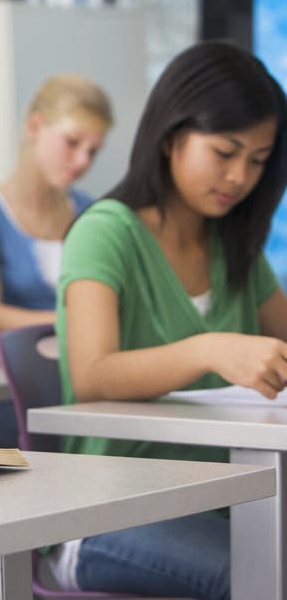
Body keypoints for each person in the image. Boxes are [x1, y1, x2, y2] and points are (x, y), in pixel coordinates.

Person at [54, 41, 287, 600]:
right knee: (264, 577)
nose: (239, 176)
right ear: (170, 136)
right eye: (225, 152)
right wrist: (208, 349)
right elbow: (91, 373)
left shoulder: (234, 245)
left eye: (258, 161)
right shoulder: (105, 230)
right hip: (106, 513)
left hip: (227, 498)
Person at [0, 74, 112, 339]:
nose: (83, 161)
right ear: (35, 126)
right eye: (72, 142)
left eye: (93, 151)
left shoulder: (89, 212)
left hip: (81, 359)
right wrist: (79, 320)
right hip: (8, 369)